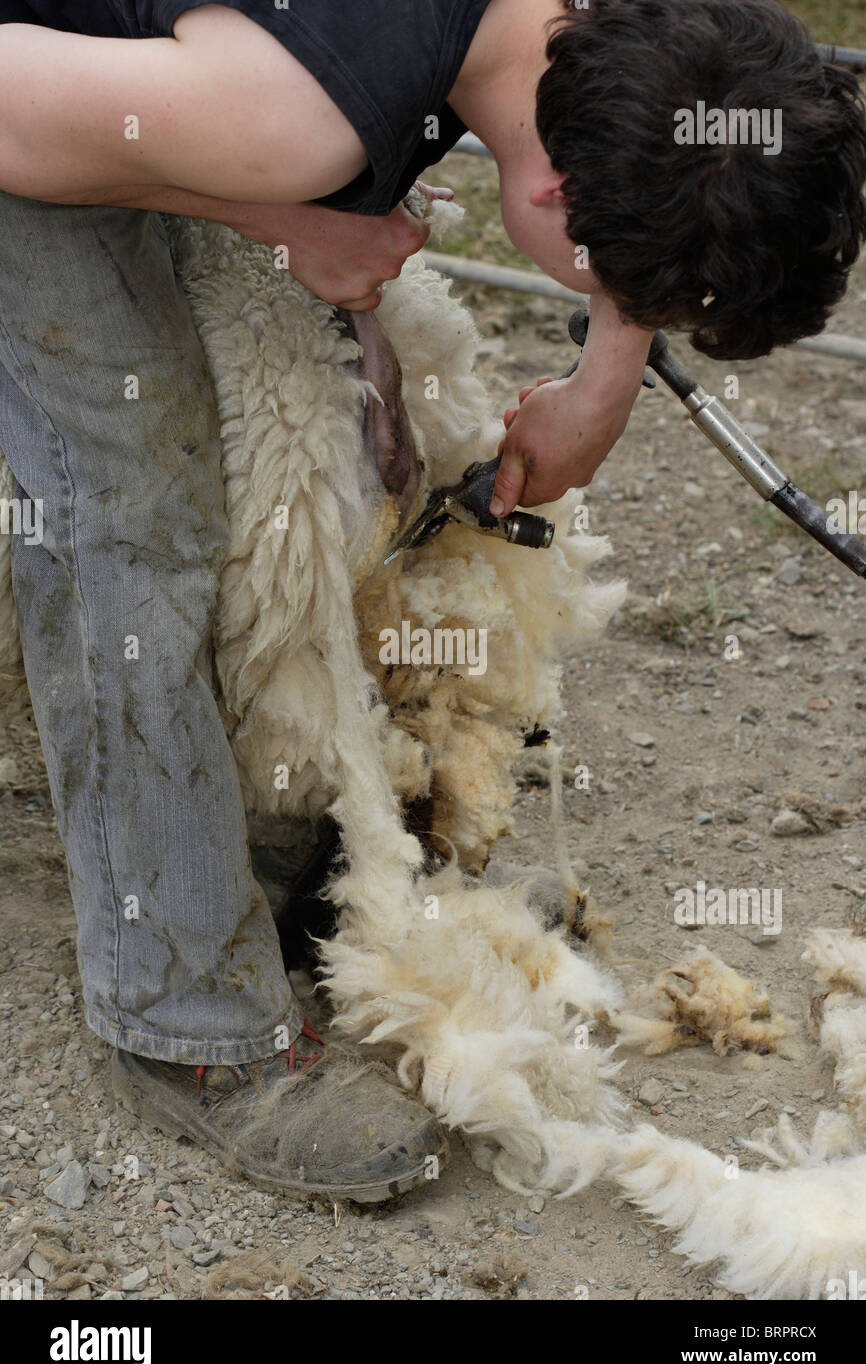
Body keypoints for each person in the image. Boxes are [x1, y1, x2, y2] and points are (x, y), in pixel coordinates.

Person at [0, 0, 862, 1202]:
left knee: (332, 420)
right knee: (134, 491)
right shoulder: (287, 123)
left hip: (209, 83)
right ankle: (178, 1008)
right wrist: (278, 213)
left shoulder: (608, 46)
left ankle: (301, 857)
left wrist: (600, 379)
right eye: (649, 304)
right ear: (564, 199)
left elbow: (662, 167)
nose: (647, 324)